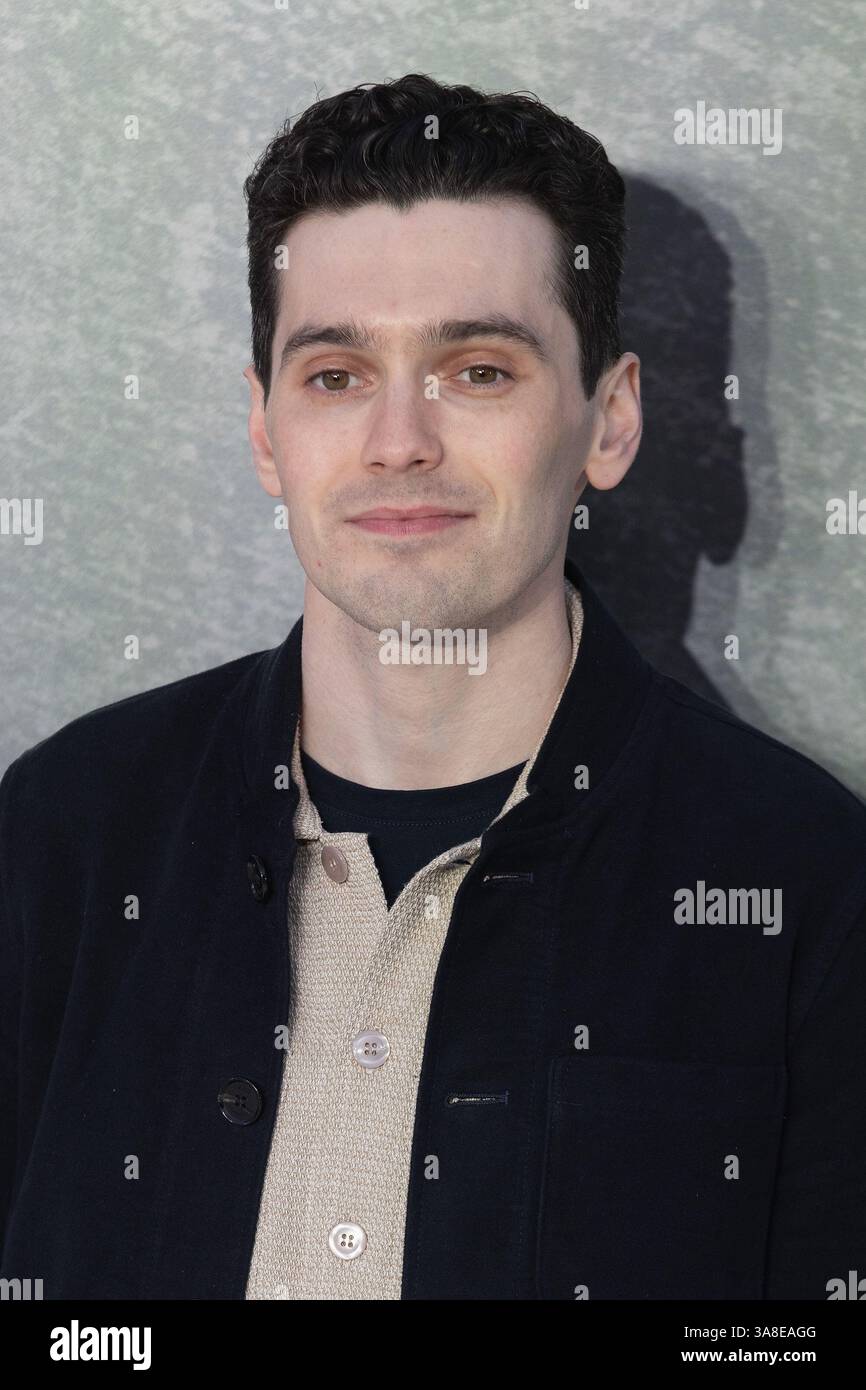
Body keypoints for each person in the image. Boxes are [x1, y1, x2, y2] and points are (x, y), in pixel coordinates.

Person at [1, 73, 864, 1302]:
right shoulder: (63, 836)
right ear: (265, 432)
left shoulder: (808, 889)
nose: (398, 438)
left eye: (477, 369)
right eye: (336, 375)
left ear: (607, 422)